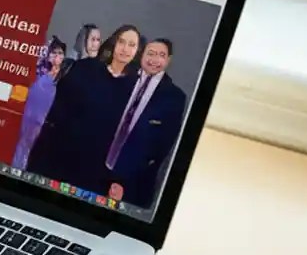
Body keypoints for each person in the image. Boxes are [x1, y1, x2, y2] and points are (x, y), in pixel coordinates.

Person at [27, 24, 143, 195]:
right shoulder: (85, 68)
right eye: (121, 42)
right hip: (59, 154)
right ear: (113, 42)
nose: (125, 49)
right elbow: (57, 111)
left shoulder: (136, 88)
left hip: (93, 170)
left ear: (137, 51)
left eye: (131, 45)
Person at [105, 38, 186, 208]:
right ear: (141, 54)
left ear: (168, 60)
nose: (154, 60)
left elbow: (161, 147)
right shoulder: (121, 77)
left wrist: (123, 181)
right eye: (150, 53)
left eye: (161, 55)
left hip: (133, 180)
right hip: (98, 165)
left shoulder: (174, 97)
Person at [12, 37, 66, 170]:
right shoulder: (40, 77)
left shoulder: (61, 81)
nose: (57, 56)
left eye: (60, 53)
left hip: (42, 127)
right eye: (54, 52)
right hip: (27, 121)